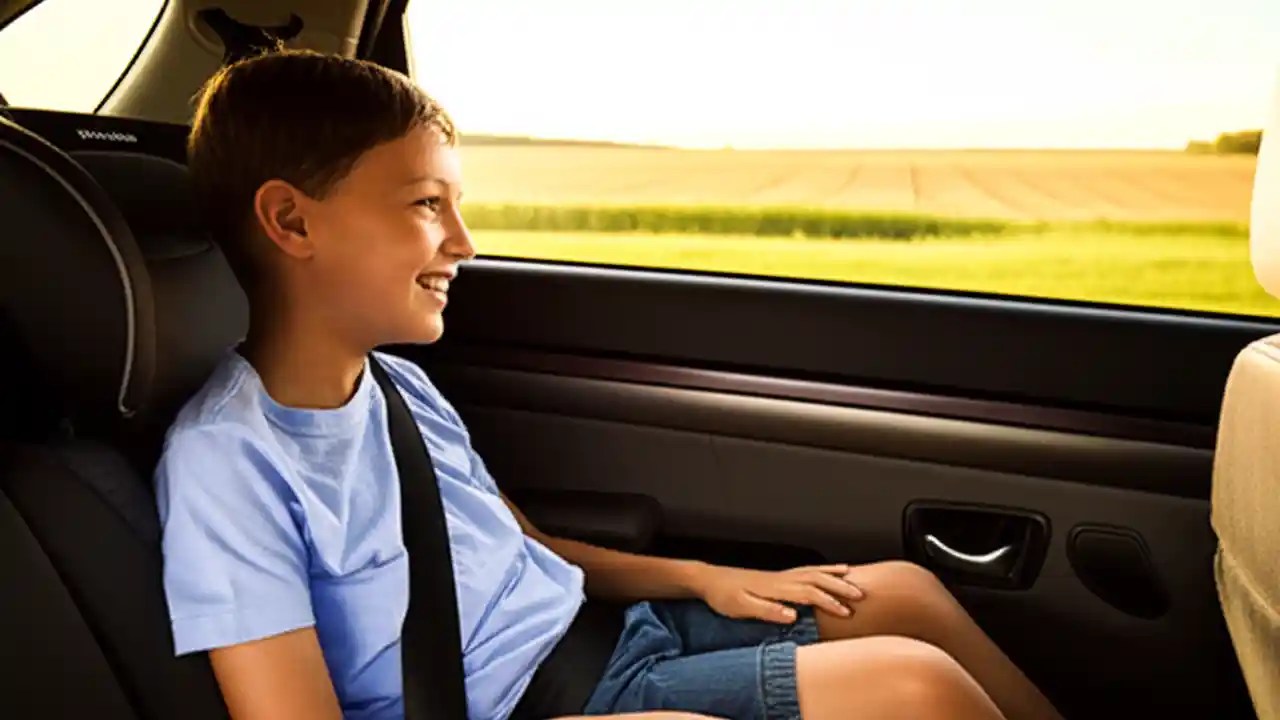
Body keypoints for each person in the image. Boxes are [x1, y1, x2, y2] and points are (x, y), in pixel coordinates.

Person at [154, 49, 1063, 720]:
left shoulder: (398, 390)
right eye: (428, 205)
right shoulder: (228, 465)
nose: (464, 244)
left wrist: (705, 577)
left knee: (901, 594)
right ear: (290, 221)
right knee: (916, 689)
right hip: (534, 706)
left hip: (608, 640)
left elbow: (534, 548)